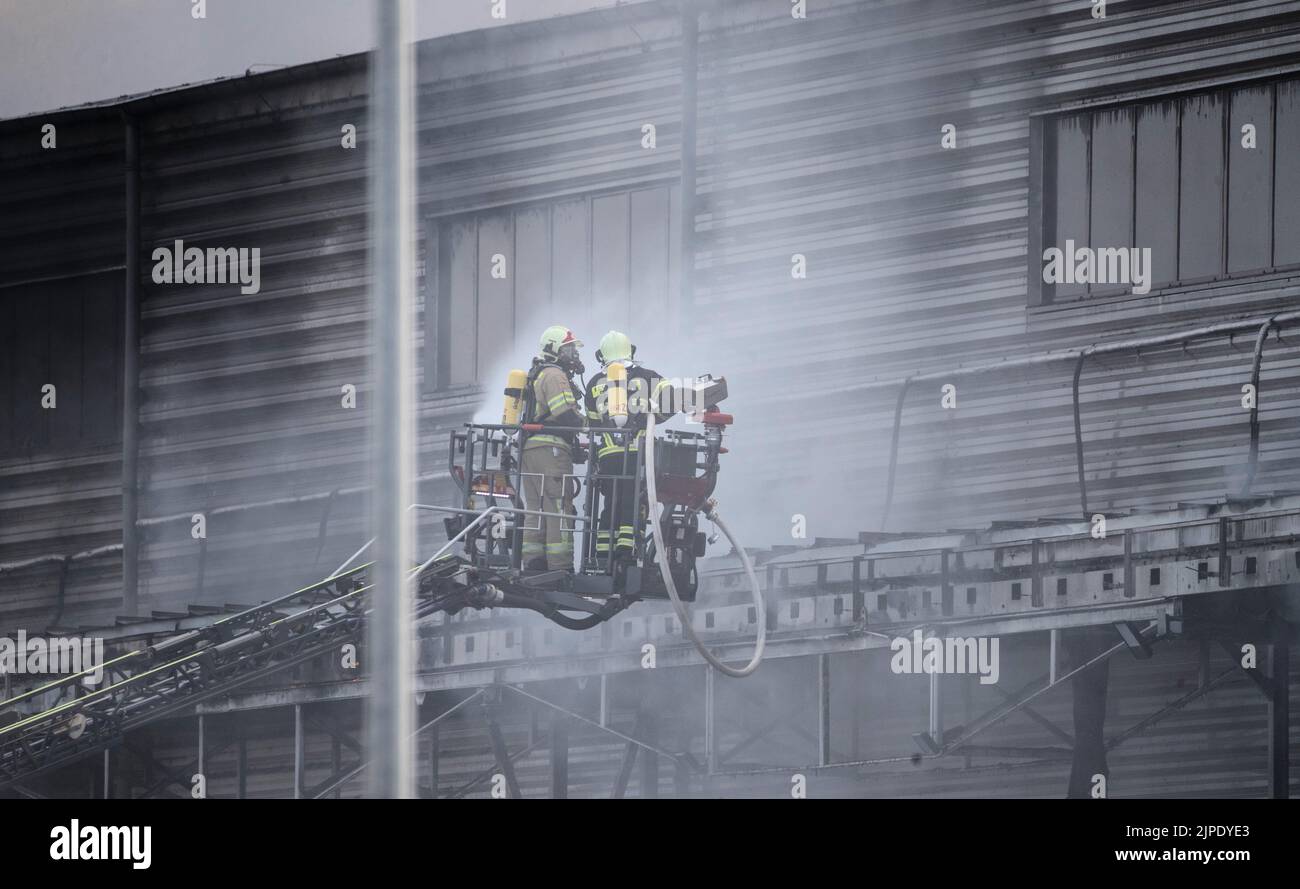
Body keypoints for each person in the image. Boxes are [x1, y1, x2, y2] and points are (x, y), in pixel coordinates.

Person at [584, 330, 673, 565]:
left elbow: (592, 424)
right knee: (634, 501)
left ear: (601, 356)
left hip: (608, 456)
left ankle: (603, 555)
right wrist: (650, 419)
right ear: (630, 351)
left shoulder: (594, 383)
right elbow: (672, 400)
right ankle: (628, 551)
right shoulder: (648, 377)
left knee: (610, 503)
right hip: (639, 452)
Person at [519, 326, 587, 572]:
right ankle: (560, 566)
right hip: (552, 450)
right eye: (568, 349)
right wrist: (589, 424)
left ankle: (534, 562)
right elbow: (564, 413)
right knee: (558, 506)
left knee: (535, 508)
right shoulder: (555, 375)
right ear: (553, 349)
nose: (573, 354)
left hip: (531, 448)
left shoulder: (536, 373)